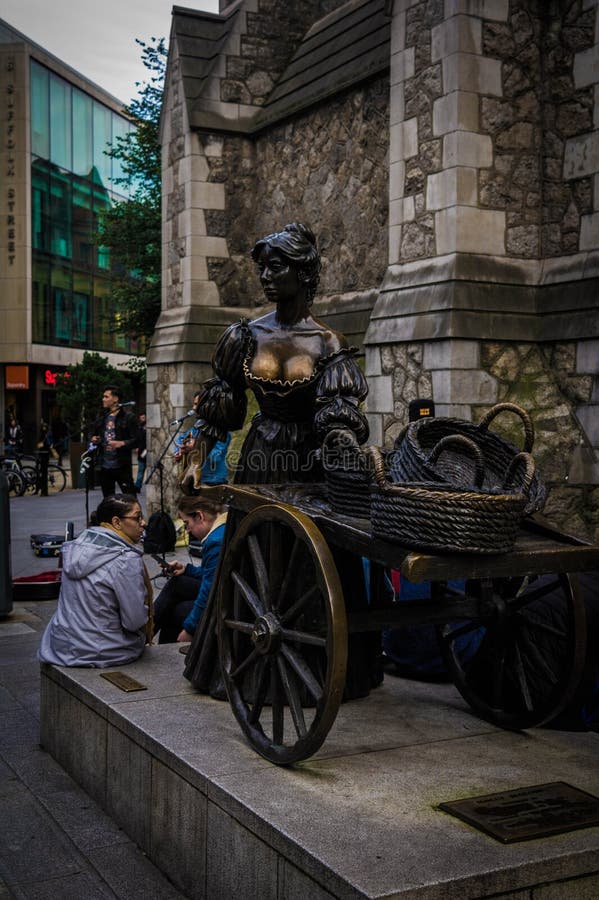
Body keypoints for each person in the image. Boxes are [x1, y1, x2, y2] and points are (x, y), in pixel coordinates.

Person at [181, 222, 368, 490]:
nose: (266, 276)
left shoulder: (328, 343)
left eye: (276, 267)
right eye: (263, 268)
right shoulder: (246, 336)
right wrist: (195, 462)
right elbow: (218, 411)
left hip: (307, 464)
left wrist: (339, 452)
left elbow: (338, 421)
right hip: (258, 458)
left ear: (303, 273)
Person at [37, 494, 152, 667]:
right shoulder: (126, 559)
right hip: (105, 651)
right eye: (138, 517)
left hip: (62, 647)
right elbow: (134, 621)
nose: (143, 523)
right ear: (117, 523)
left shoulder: (76, 546)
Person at [153, 494, 227, 644]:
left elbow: (209, 591)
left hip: (224, 601)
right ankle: (147, 630)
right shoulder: (222, 529)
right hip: (225, 591)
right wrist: (186, 569)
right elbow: (213, 574)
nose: (187, 530)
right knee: (178, 582)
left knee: (175, 609)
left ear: (200, 516)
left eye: (187, 523)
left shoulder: (215, 541)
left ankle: (147, 632)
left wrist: (190, 629)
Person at [89, 385, 138, 497]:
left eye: (106, 397)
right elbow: (93, 433)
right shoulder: (102, 416)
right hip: (104, 465)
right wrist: (94, 438)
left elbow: (137, 440)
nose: (103, 399)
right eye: (103, 397)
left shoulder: (128, 417)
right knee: (108, 500)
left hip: (122, 465)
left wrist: (122, 443)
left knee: (130, 498)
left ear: (115, 399)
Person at [173, 391, 230, 486]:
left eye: (196, 404)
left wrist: (194, 448)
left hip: (214, 481)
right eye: (194, 404)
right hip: (197, 477)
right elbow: (181, 438)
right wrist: (179, 451)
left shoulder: (222, 429)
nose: (194, 408)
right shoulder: (198, 426)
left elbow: (216, 457)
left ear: (207, 405)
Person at [134, 412, 147, 492]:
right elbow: (137, 439)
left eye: (144, 417)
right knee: (140, 470)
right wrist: (136, 447)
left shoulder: (148, 427)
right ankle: (137, 486)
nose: (143, 419)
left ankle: (137, 486)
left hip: (147, 451)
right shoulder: (139, 428)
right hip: (141, 452)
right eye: (141, 418)